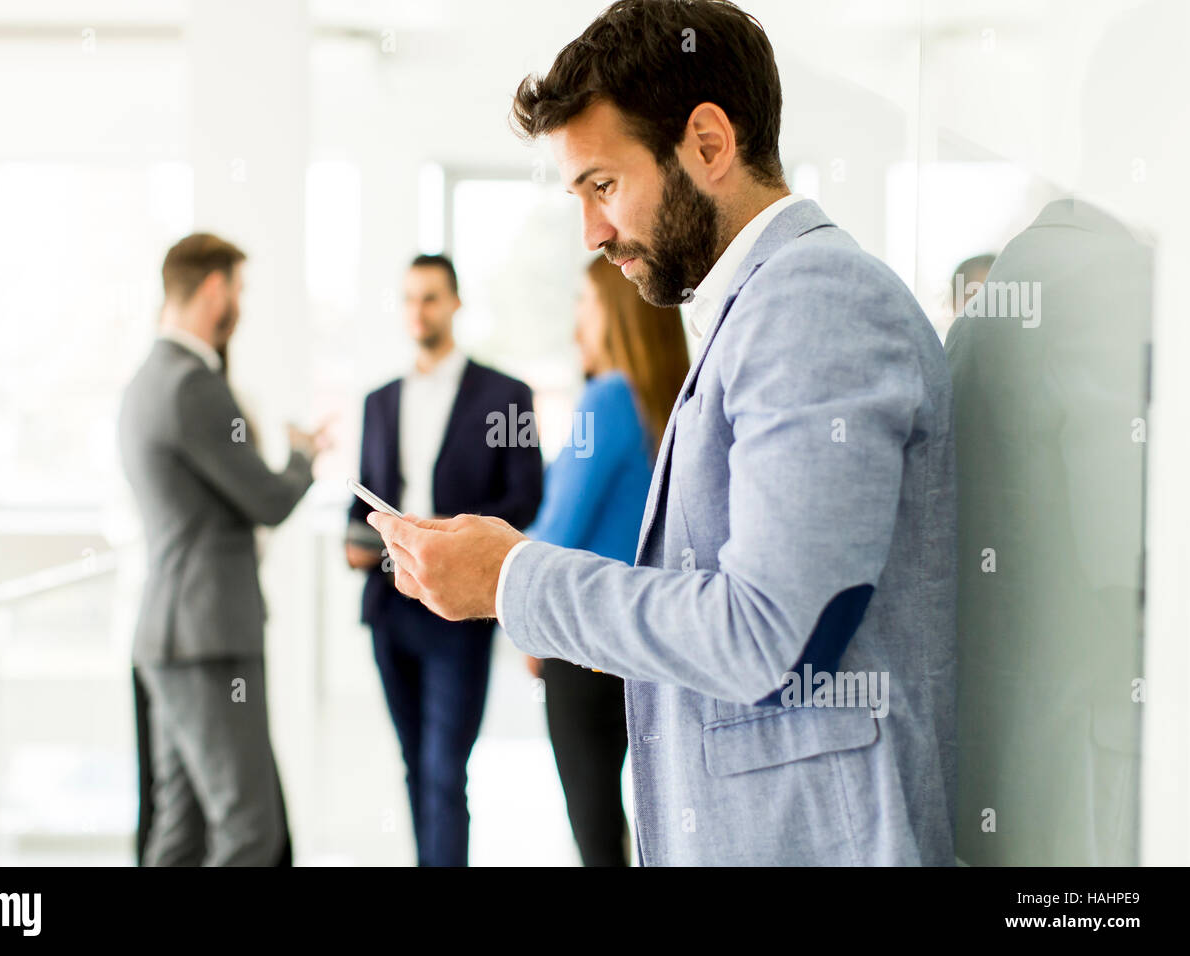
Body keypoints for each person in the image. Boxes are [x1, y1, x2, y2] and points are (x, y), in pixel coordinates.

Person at [366, 0, 958, 866]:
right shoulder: (752, 310)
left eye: (604, 185)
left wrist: (512, 579)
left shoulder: (813, 300)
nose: (593, 232)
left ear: (709, 143)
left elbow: (770, 633)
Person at [119, 233, 327, 866]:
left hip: (171, 636)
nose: (240, 303)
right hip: (209, 638)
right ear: (214, 289)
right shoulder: (193, 384)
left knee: (180, 829)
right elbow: (267, 499)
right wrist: (303, 457)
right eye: (238, 288)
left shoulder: (145, 381)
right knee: (248, 828)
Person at [345, 253, 543, 866]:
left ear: (454, 303)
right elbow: (363, 487)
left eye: (430, 297)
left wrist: (455, 538)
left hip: (459, 607)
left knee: (444, 767)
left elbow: (527, 495)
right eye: (409, 299)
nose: (418, 311)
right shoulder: (379, 400)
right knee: (413, 763)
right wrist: (353, 541)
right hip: (388, 600)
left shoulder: (507, 394)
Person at [524, 255, 688, 866]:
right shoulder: (674, 397)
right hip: (652, 641)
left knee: (595, 831)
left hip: (583, 643)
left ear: (616, 315)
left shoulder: (607, 399)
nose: (576, 329)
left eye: (585, 309)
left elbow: (554, 534)